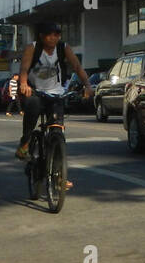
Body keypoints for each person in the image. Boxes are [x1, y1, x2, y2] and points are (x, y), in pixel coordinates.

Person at [15, 22, 92, 161]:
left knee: (57, 129)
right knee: (33, 107)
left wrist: (87, 85)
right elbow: (24, 69)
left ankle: (59, 174)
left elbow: (77, 67)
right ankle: (25, 143)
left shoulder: (63, 48)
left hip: (56, 92)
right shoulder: (33, 48)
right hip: (35, 91)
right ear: (41, 36)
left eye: (56, 34)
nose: (53, 38)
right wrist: (23, 83)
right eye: (49, 35)